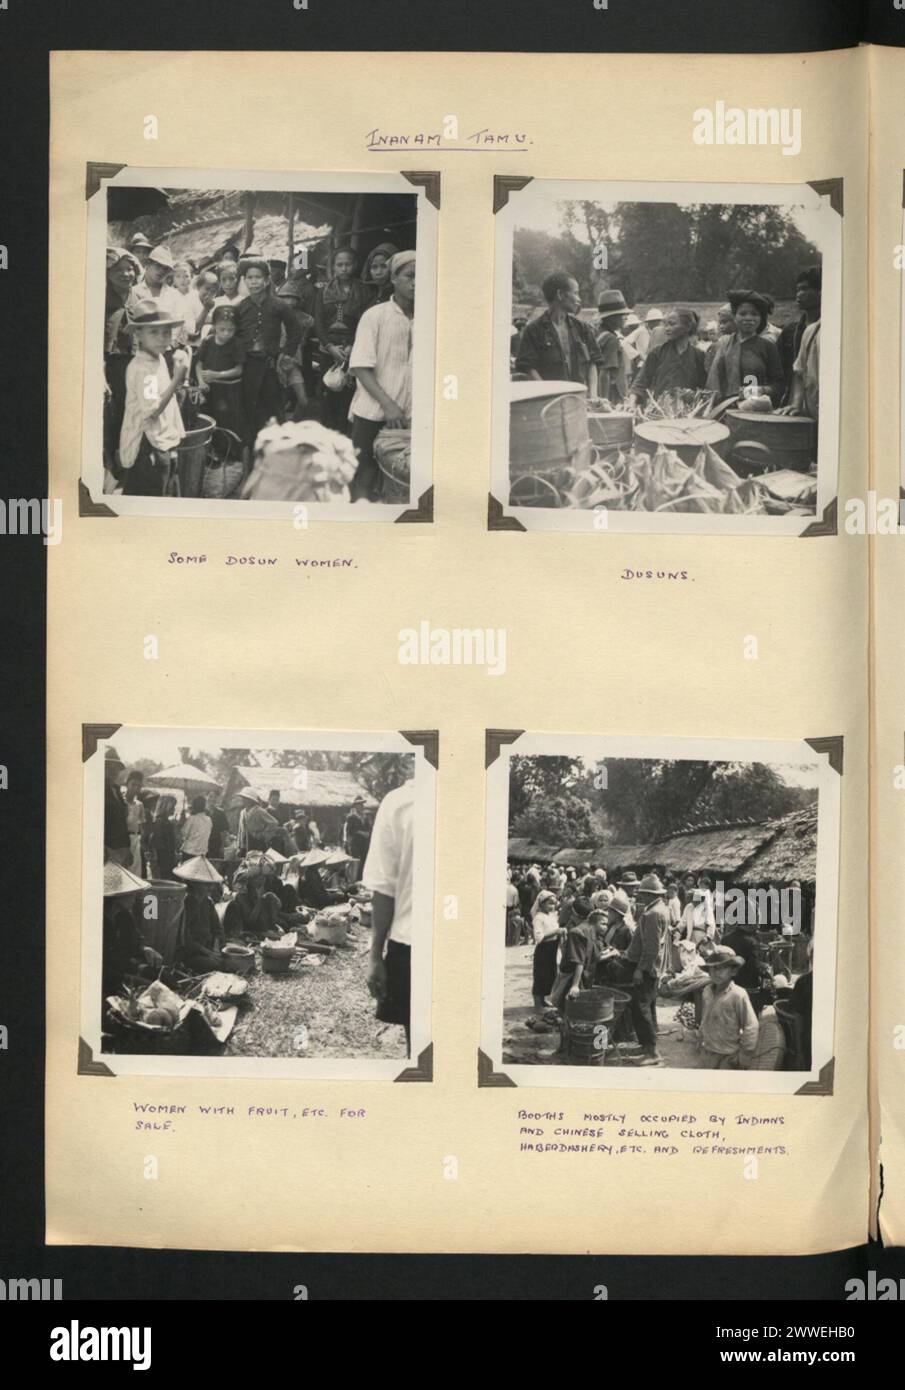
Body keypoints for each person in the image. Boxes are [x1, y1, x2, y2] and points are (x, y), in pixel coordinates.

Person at [348, 249, 416, 501]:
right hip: (373, 412)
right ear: (394, 279)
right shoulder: (375, 316)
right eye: (409, 275)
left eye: (423, 276)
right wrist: (388, 405)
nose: (416, 282)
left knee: (401, 481)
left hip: (412, 415)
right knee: (363, 478)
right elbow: (360, 366)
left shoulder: (433, 319)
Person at [363, 778, 415, 1051]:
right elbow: (383, 891)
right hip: (413, 946)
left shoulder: (399, 803)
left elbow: (383, 890)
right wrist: (375, 956)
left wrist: (375, 956)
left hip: (414, 945)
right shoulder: (399, 802)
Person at [118, 308, 187, 495]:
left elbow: (163, 396)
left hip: (162, 436)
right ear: (139, 334)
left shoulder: (159, 359)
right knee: (151, 490)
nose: (161, 338)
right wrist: (177, 378)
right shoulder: (142, 368)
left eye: (166, 332)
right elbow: (152, 409)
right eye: (154, 332)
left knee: (166, 486)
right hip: (147, 442)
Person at [234, 257, 301, 445]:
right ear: (244, 280)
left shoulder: (278, 305)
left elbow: (295, 330)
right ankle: (253, 446)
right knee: (250, 406)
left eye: (258, 277)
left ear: (266, 280)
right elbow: (237, 335)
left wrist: (286, 354)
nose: (253, 282)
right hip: (248, 365)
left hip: (271, 364)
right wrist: (240, 357)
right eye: (249, 277)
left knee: (273, 406)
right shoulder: (241, 307)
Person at [515, 271, 601, 395]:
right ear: (560, 294)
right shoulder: (534, 330)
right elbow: (527, 367)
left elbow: (593, 362)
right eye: (575, 293)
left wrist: (593, 396)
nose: (579, 299)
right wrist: (548, 393)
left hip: (579, 400)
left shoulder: (583, 328)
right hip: (549, 403)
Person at [315, 248, 368, 433]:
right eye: (340, 265)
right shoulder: (323, 292)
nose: (344, 268)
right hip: (328, 350)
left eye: (348, 264)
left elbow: (365, 321)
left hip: (353, 349)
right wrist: (330, 347)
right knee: (327, 395)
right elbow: (318, 322)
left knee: (348, 395)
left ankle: (346, 437)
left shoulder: (364, 290)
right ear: (334, 267)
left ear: (354, 265)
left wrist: (352, 346)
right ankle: (328, 437)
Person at [618, 873, 668, 1065]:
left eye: (643, 893)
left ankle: (653, 1052)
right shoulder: (658, 909)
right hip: (650, 966)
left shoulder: (653, 913)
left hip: (647, 968)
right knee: (642, 1006)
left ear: (649, 894)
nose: (640, 896)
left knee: (642, 1007)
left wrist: (640, 969)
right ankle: (646, 1045)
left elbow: (652, 948)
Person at [705, 290, 784, 405]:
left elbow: (779, 385)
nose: (748, 318)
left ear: (761, 318)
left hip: (755, 409)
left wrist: (761, 390)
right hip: (724, 408)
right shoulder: (723, 344)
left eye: (754, 314)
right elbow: (713, 380)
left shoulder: (768, 346)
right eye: (742, 314)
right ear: (734, 316)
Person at [103, 248, 142, 469]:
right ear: (108, 272)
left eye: (129, 270)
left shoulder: (137, 297)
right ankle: (113, 458)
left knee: (132, 406)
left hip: (134, 361)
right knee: (113, 408)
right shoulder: (102, 295)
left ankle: (128, 453)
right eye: (119, 270)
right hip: (110, 362)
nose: (126, 274)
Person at [628, 306, 707, 404]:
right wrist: (630, 404)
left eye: (672, 324)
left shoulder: (699, 356)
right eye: (666, 325)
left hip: (688, 414)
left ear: (687, 327)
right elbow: (640, 382)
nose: (667, 329)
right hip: (661, 413)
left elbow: (704, 388)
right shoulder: (657, 353)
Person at [102, 860, 157, 999]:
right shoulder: (97, 921)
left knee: (162, 978)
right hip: (106, 976)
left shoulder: (124, 916)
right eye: (131, 894)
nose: (135, 898)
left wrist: (145, 949)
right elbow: (102, 965)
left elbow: (133, 941)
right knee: (149, 989)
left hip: (125, 967)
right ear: (118, 897)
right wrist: (129, 975)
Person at [697, 945, 759, 1069]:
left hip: (729, 1054)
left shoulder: (738, 995)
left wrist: (744, 1054)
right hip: (708, 1050)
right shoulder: (707, 991)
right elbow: (705, 1017)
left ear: (733, 971)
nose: (715, 972)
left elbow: (751, 1026)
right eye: (713, 968)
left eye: (721, 968)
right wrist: (701, 1037)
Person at [194, 304, 246, 438]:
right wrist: (201, 382)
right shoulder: (208, 341)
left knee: (228, 422)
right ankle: (212, 452)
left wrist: (217, 375)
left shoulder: (236, 344)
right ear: (214, 326)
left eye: (231, 330)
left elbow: (239, 370)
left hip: (229, 391)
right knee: (209, 419)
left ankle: (229, 452)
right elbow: (198, 364)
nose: (226, 333)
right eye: (222, 329)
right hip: (209, 390)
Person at [126, 244, 188, 345]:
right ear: (148, 263)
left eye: (166, 269)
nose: (162, 271)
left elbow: (180, 323)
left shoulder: (174, 294)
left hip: (168, 348)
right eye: (158, 265)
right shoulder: (134, 292)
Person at [173, 856, 225, 972]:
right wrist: (208, 953)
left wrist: (215, 948)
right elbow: (185, 938)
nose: (211, 887)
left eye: (211, 884)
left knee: (228, 957)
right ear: (194, 883)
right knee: (214, 965)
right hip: (191, 953)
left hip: (208, 946)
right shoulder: (185, 903)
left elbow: (217, 928)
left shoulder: (208, 902)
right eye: (206, 884)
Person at [595, 289, 633, 403]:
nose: (626, 317)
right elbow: (605, 373)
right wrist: (604, 401)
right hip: (612, 395)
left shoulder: (598, 334)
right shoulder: (611, 340)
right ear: (612, 317)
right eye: (622, 314)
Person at [530, 889, 560, 1012]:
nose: (552, 906)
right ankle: (537, 1004)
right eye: (549, 903)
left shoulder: (551, 916)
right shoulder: (538, 918)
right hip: (544, 949)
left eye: (554, 903)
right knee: (540, 976)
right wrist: (556, 932)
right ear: (541, 903)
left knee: (550, 975)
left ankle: (543, 1000)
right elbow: (539, 937)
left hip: (552, 948)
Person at [103, 749, 132, 866]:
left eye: (116, 768)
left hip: (120, 849)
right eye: (108, 767)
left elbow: (122, 823)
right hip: (107, 848)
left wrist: (127, 848)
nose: (113, 771)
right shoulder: (96, 788)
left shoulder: (117, 790)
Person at [235, 786, 281, 853]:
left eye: (246, 799)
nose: (243, 800)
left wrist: (264, 835)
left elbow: (274, 822)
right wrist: (239, 846)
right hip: (246, 843)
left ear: (251, 800)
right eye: (243, 798)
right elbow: (240, 831)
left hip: (258, 843)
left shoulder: (259, 811)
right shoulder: (242, 812)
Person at [361, 241, 399, 306]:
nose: (378, 272)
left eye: (384, 266)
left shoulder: (399, 297)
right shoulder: (366, 295)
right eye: (374, 267)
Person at [149, 795, 178, 880]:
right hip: (163, 861)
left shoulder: (167, 822)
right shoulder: (160, 821)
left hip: (168, 859)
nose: (174, 809)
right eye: (172, 807)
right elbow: (159, 844)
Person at [123, 770, 145, 874]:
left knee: (135, 872)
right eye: (133, 784)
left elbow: (141, 826)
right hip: (122, 840)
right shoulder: (121, 802)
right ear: (127, 784)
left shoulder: (139, 805)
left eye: (139, 786)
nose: (136, 788)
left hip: (135, 841)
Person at [344, 796, 371, 865]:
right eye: (359, 805)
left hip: (365, 844)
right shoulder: (351, 817)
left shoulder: (365, 817)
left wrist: (368, 833)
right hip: (356, 844)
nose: (361, 806)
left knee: (365, 862)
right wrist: (360, 832)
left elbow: (369, 828)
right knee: (356, 863)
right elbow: (349, 831)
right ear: (355, 806)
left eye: (362, 804)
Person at [205, 792, 229, 861]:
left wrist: (222, 846)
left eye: (215, 797)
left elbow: (224, 831)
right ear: (206, 797)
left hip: (216, 844)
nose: (212, 799)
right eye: (210, 796)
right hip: (202, 844)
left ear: (217, 799)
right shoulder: (202, 812)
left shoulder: (220, 813)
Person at [505, 874, 521, 947]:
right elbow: (515, 903)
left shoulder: (506, 887)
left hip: (505, 907)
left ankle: (507, 939)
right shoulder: (515, 890)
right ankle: (515, 941)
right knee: (516, 923)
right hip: (511, 909)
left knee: (506, 925)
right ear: (515, 881)